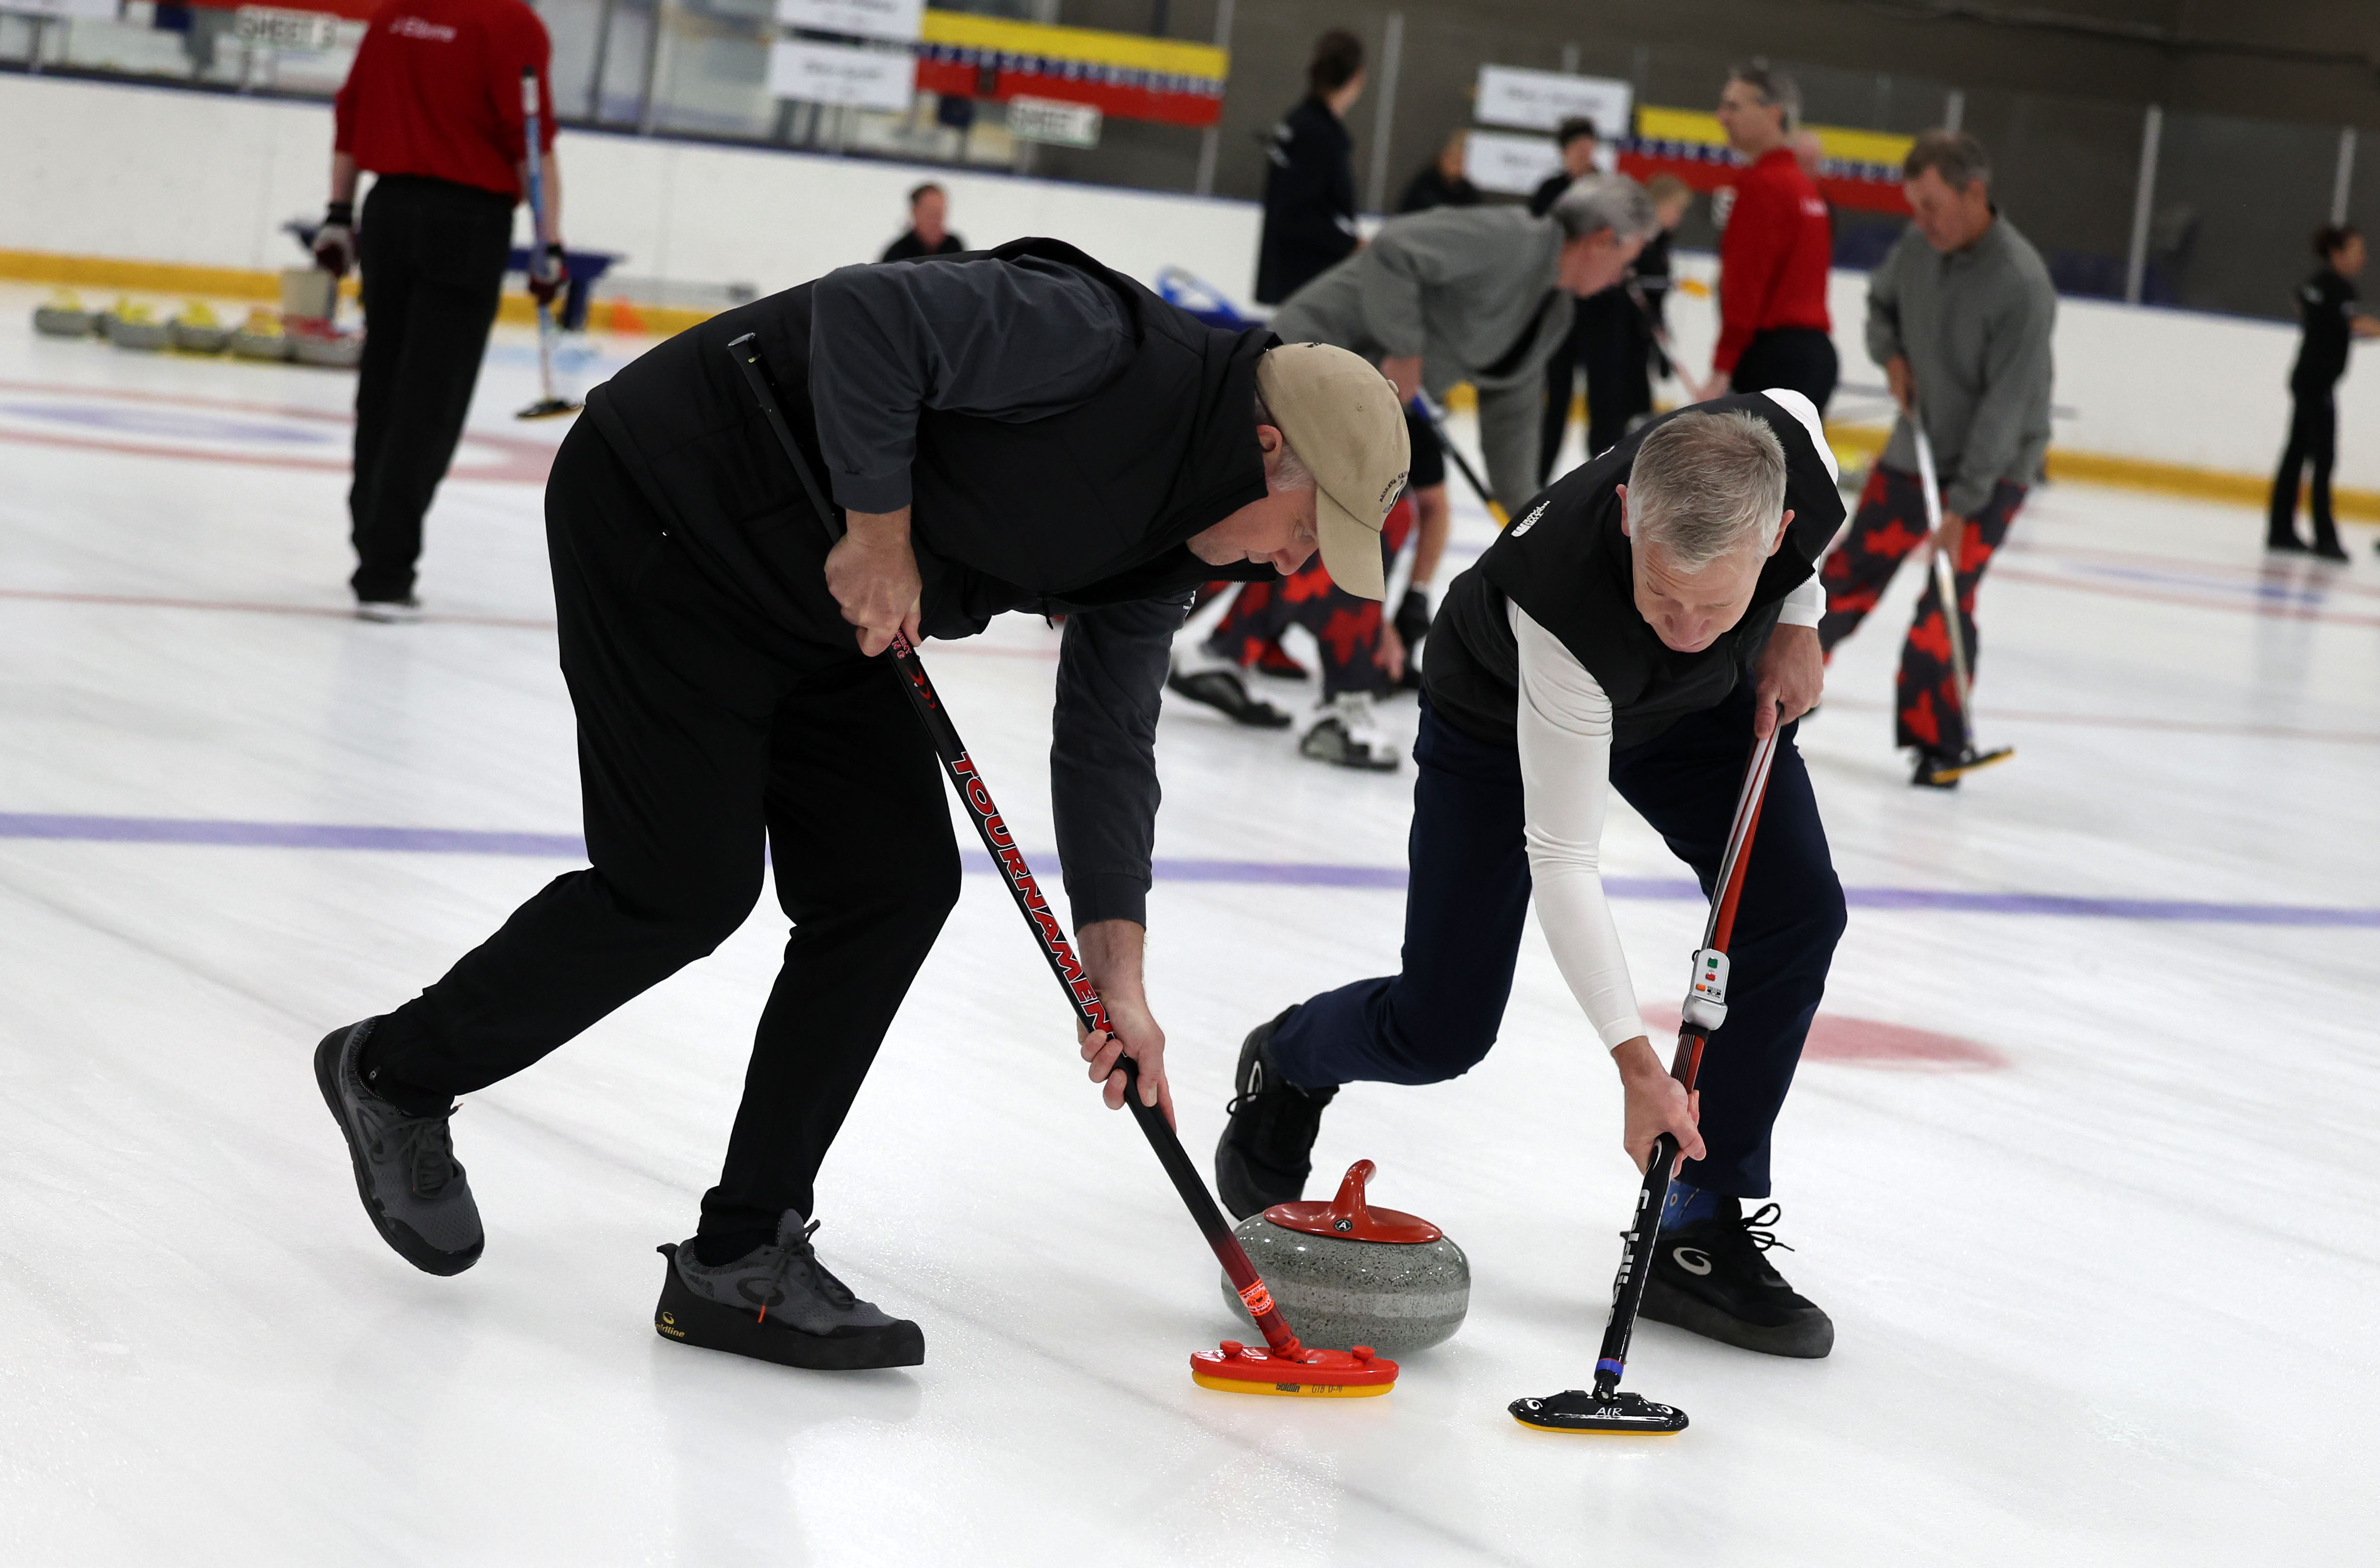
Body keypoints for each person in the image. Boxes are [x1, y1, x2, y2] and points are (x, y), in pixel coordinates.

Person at [311, 239, 1411, 1371]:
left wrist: (1117, 976)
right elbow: (867, 315)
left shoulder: (1173, 554)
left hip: (830, 599)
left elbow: (1106, 741)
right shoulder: (1097, 343)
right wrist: (882, 535)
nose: (1291, 570)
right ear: (1266, 449)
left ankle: (741, 1253)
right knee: (682, 886)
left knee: (892, 884)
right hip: (675, 508)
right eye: (1304, 533)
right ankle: (396, 1070)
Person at [1213, 393, 1848, 1361]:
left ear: (1776, 534)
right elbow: (1561, 858)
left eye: (1712, 604)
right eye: (1661, 595)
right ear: (1632, 514)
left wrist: (1795, 618)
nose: (1683, 623)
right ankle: (1292, 1053)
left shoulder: (1784, 457)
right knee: (1442, 1026)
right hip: (1500, 712)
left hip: (1688, 713)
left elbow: (1801, 419)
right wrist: (1638, 1068)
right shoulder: (1560, 598)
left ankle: (1694, 1227)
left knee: (1794, 907)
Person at [1169, 179, 1659, 762]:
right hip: (1311, 366)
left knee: (1336, 520)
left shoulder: (1551, 310)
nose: (1619, 277)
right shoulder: (1508, 239)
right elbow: (1396, 250)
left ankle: (1224, 651)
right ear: (1601, 240)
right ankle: (1341, 702)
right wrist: (1403, 347)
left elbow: (1512, 412)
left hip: (1371, 402)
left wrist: (1536, 513)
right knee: (1375, 514)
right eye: (1625, 261)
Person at [1816, 130, 2055, 788]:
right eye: (1914, 207)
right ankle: (1781, 688)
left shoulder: (2022, 286)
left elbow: (2007, 410)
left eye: (1932, 205)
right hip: (1915, 446)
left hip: (1993, 468)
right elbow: (1880, 307)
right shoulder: (1919, 248)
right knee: (1847, 572)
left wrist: (1963, 507)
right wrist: (1891, 357)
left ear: (1974, 193)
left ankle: (1937, 742)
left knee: (1948, 595)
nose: (1921, 222)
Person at [316, 0, 564, 620]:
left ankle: (371, 540)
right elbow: (530, 142)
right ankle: (386, 566)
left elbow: (350, 117)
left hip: (388, 211)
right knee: (432, 397)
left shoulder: (394, 12)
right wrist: (548, 243)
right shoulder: (511, 24)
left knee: (384, 383)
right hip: (467, 221)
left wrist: (338, 215)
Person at [1694, 62, 1836, 413]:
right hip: (1811, 357)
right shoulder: (1805, 189)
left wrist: (1721, 368)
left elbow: (1746, 283)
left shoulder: (1763, 185)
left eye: (1734, 107)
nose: (1721, 116)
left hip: (1774, 360)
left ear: (1773, 114)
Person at [2267, 223, 2379, 561]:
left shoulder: (2324, 286)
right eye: (2357, 251)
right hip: (2316, 384)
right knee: (2323, 458)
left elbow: (2315, 307)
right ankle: (2325, 538)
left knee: (2297, 455)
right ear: (2337, 253)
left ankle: (2281, 530)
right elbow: (2350, 322)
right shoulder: (2335, 288)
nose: (2363, 258)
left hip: (2311, 380)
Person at [1254, 29, 1365, 306]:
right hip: (1308, 282)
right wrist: (1351, 245)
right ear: (1357, 78)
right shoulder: (1318, 134)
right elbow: (1298, 213)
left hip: (1294, 278)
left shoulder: (1300, 123)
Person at [1398, 127, 1483, 214]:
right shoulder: (1424, 188)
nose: (1459, 167)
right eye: (1455, 161)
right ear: (1443, 157)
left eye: (1463, 162)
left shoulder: (1469, 194)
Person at [879, 182, 965, 263]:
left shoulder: (955, 248)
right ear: (915, 212)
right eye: (930, 213)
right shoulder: (896, 255)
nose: (937, 220)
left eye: (940, 213)